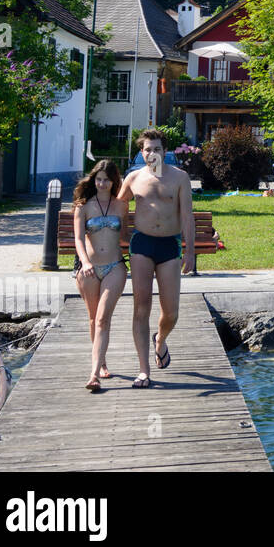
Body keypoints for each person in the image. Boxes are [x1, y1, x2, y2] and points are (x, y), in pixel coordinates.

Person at [115, 128, 194, 388]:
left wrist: (190, 250)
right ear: (142, 152)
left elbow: (186, 216)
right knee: (141, 308)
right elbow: (118, 206)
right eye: (148, 149)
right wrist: (120, 234)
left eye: (157, 149)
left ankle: (159, 339)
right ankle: (144, 370)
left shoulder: (180, 178)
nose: (152, 153)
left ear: (165, 151)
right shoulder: (133, 178)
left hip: (170, 246)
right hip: (142, 245)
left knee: (171, 312)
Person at [72, 160, 128, 392]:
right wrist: (85, 262)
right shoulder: (83, 205)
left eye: (106, 179)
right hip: (89, 269)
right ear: (93, 180)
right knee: (94, 319)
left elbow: (124, 236)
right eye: (98, 178)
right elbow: (77, 239)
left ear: (114, 181)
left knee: (104, 318)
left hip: (115, 266)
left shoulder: (121, 206)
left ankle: (93, 374)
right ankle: (102, 361)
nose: (102, 183)